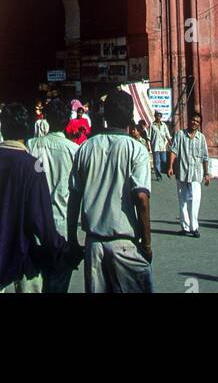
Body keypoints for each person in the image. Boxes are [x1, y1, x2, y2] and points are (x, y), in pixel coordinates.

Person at [0, 101, 67, 292]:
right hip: (22, 259)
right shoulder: (33, 165)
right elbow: (41, 219)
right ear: (27, 130)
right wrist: (58, 248)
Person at [67, 88, 153, 293]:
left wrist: (72, 238)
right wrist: (147, 244)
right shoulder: (136, 149)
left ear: (104, 116)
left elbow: (74, 197)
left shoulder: (85, 148)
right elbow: (141, 198)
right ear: (130, 117)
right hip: (124, 242)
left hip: (94, 243)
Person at [28, 97, 79, 293]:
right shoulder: (74, 150)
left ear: (46, 119)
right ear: (68, 120)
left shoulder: (32, 145)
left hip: (34, 227)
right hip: (62, 227)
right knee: (58, 284)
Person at [167, 112, 210, 237]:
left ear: (199, 124)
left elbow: (205, 157)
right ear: (189, 121)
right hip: (182, 172)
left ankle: (194, 227)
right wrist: (170, 166)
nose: (195, 123)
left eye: (197, 121)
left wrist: (207, 174)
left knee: (195, 200)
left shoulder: (201, 138)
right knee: (183, 200)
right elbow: (173, 151)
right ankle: (185, 227)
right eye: (193, 120)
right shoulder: (180, 135)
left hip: (196, 174)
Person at [149, 111, 172, 181]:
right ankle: (158, 176)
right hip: (155, 146)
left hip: (163, 147)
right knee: (157, 162)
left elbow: (168, 135)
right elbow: (149, 137)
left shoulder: (164, 125)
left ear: (161, 117)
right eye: (157, 116)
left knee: (164, 160)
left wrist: (171, 143)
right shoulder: (152, 126)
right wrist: (149, 145)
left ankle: (161, 171)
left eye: (159, 116)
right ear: (155, 116)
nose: (158, 117)